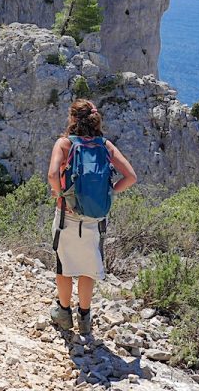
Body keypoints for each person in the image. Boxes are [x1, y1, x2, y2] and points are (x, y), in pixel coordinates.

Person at [47, 99, 137, 334]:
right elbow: (131, 177)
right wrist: (110, 191)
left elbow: (52, 174)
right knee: (88, 267)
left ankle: (63, 313)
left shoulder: (65, 144)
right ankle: (85, 318)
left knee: (63, 264)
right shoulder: (105, 145)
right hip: (95, 218)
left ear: (72, 119)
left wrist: (60, 194)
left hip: (67, 215)